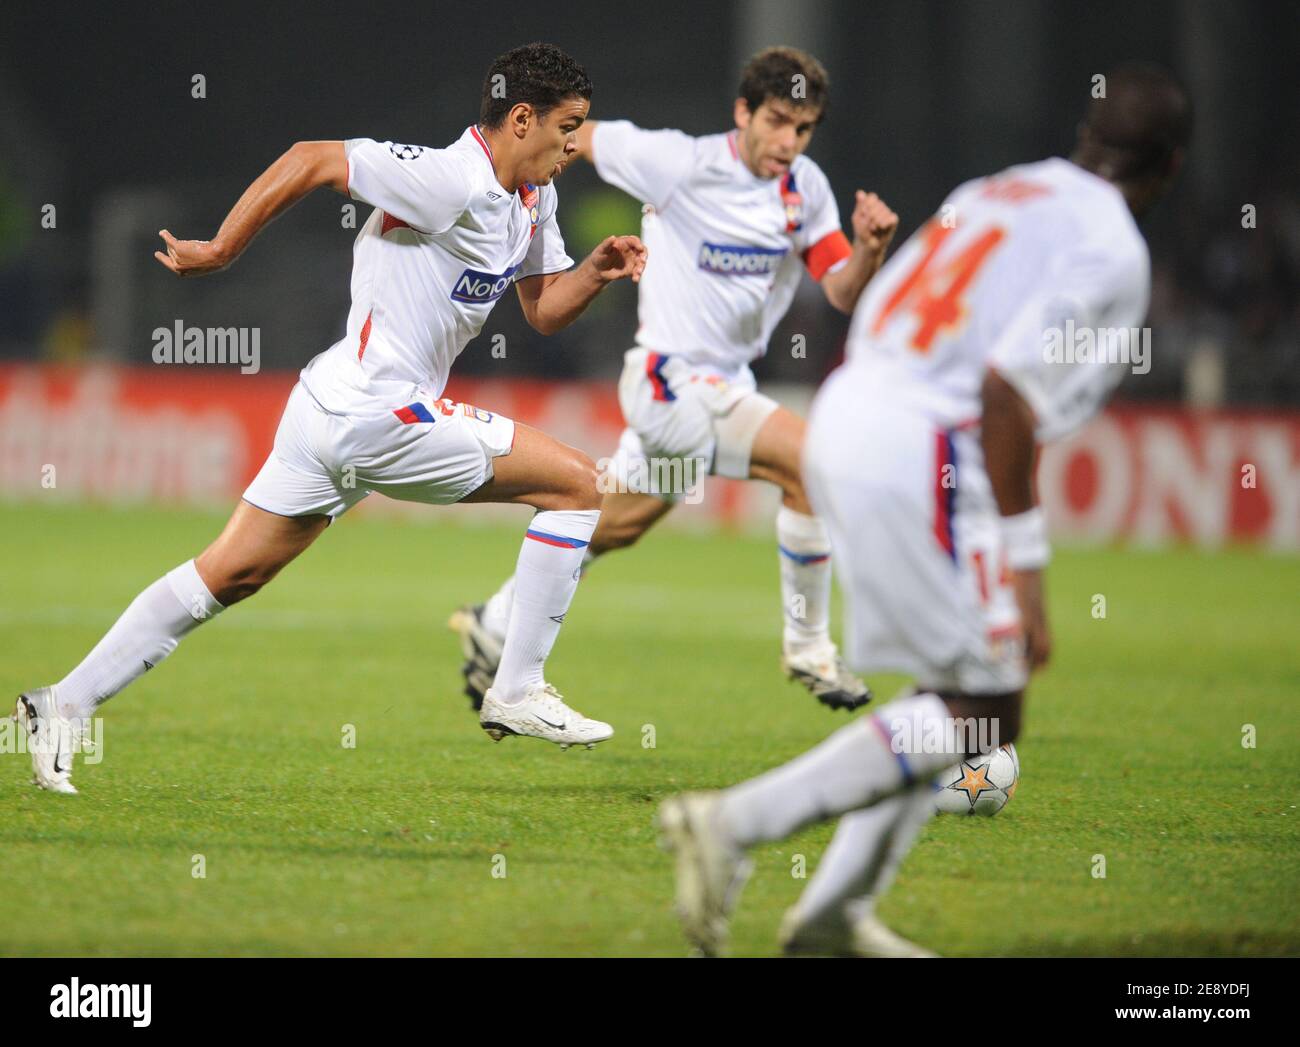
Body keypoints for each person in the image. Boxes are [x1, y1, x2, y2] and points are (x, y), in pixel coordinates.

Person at [659, 63, 1192, 956]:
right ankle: (735, 824)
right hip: (926, 445)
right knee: (992, 712)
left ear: (1085, 135)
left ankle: (834, 914)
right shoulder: (1113, 248)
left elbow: (894, 310)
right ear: (1170, 167)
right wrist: (1026, 571)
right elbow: (1005, 397)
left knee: (946, 694)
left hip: (857, 406)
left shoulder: (1000, 189)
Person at [15, 42, 649, 793]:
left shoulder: (531, 201)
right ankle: (517, 687)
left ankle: (60, 703)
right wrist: (221, 249)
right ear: (521, 119)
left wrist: (595, 274)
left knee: (230, 572)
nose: (576, 145)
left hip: (328, 405)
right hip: (378, 411)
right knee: (578, 484)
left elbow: (542, 310)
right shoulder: (449, 178)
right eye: (568, 126)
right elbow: (312, 157)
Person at [452, 47, 899, 715]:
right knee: (811, 462)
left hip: (725, 385)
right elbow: (572, 133)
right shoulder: (678, 162)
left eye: (803, 130)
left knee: (614, 522)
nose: (788, 142)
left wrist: (869, 250)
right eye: (777, 121)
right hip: (670, 380)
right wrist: (514, 182)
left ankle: (496, 619)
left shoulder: (805, 190)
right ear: (743, 111)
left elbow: (839, 289)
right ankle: (809, 648)